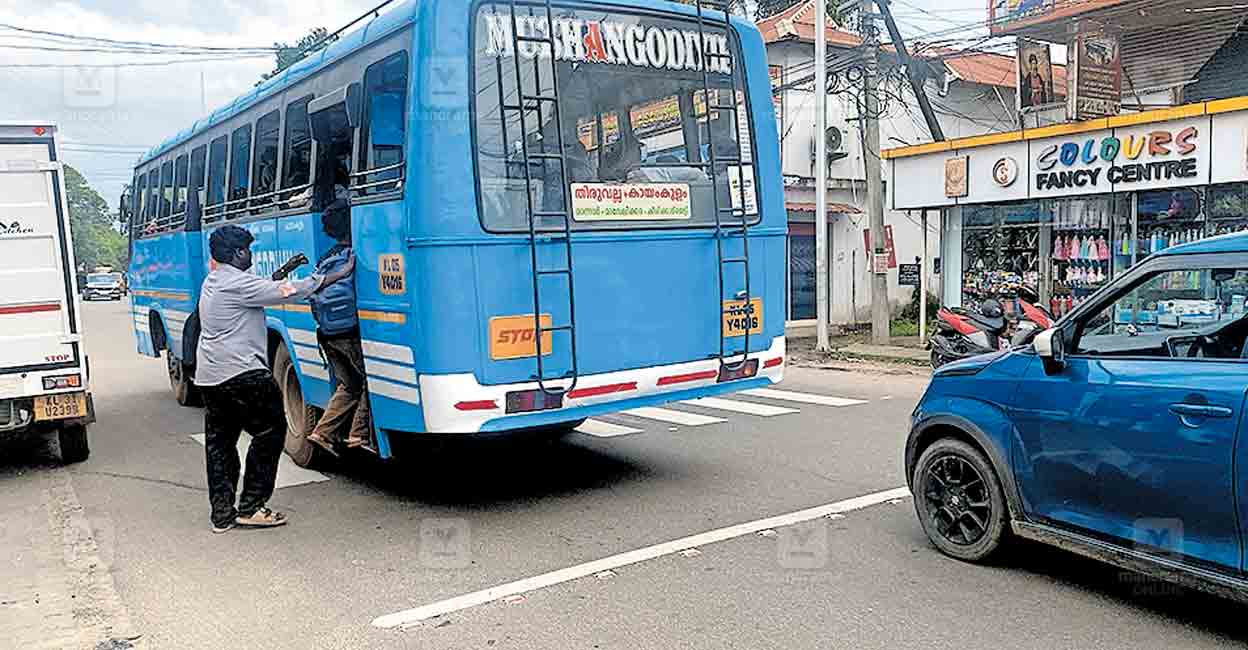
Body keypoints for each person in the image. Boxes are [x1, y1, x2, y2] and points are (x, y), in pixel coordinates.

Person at [196, 225, 354, 534]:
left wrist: (281, 273)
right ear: (238, 253)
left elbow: (259, 289)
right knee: (270, 433)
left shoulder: (214, 281)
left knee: (220, 444)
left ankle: (222, 514)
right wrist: (338, 273)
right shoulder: (239, 284)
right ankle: (252, 507)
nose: (252, 255)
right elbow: (291, 291)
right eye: (249, 250)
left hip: (210, 376)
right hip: (242, 375)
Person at [305, 202, 373, 455]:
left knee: (349, 385)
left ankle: (321, 432)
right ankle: (358, 434)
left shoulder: (327, 257)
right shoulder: (356, 254)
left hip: (326, 334)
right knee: (369, 381)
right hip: (348, 333)